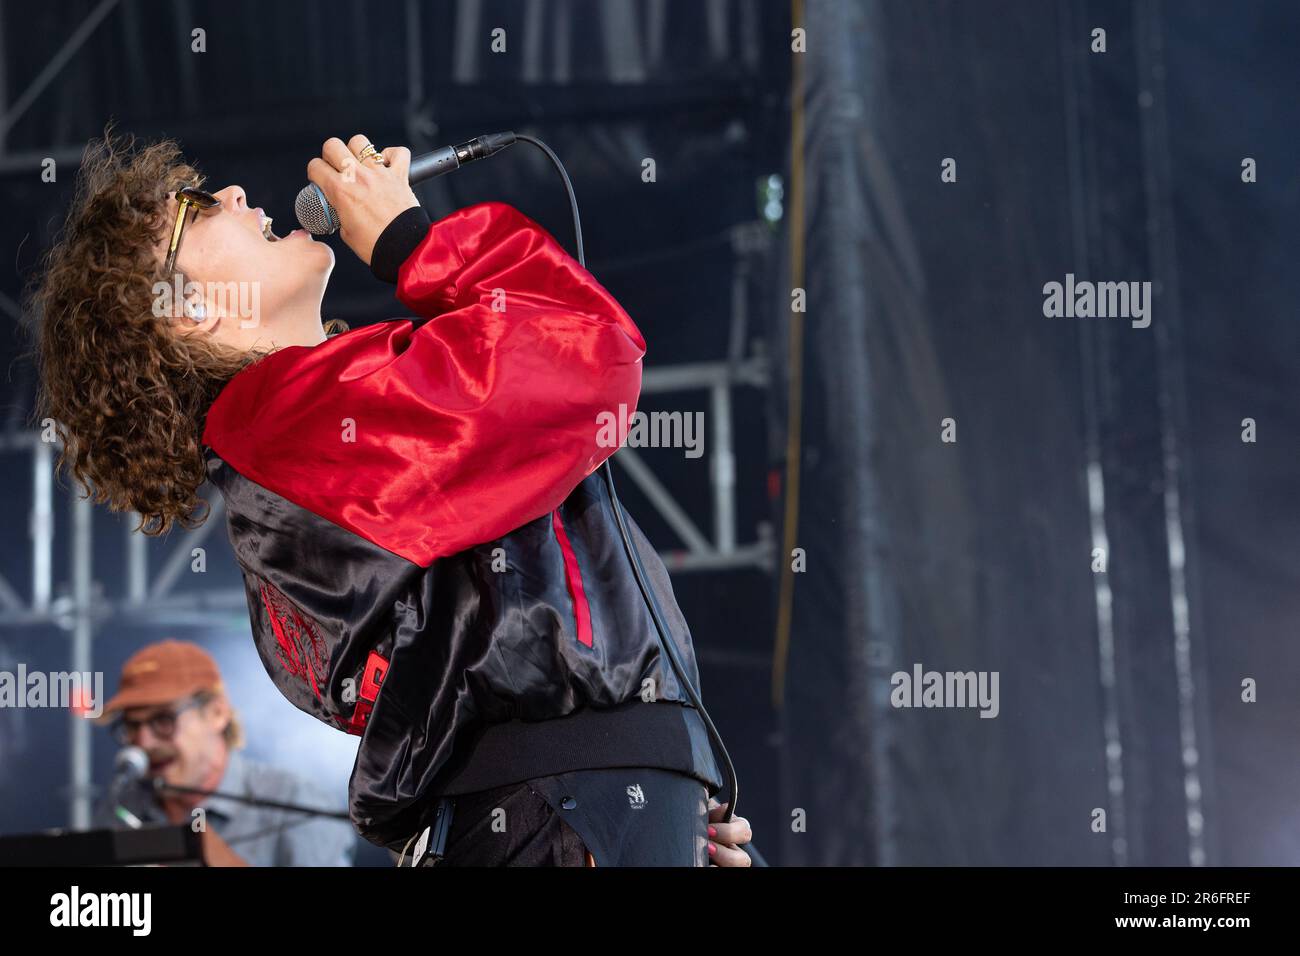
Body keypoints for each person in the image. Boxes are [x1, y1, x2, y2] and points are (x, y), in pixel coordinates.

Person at [32, 129, 753, 866]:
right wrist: (412, 240)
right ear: (184, 311)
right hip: (556, 814)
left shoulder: (331, 413)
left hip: (578, 808)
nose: (235, 194)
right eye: (195, 208)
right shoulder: (289, 429)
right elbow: (586, 356)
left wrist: (668, 786)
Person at [93, 639, 355, 867]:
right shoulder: (123, 804)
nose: (143, 742)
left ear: (216, 713)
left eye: (163, 720)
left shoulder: (296, 801)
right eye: (131, 725)